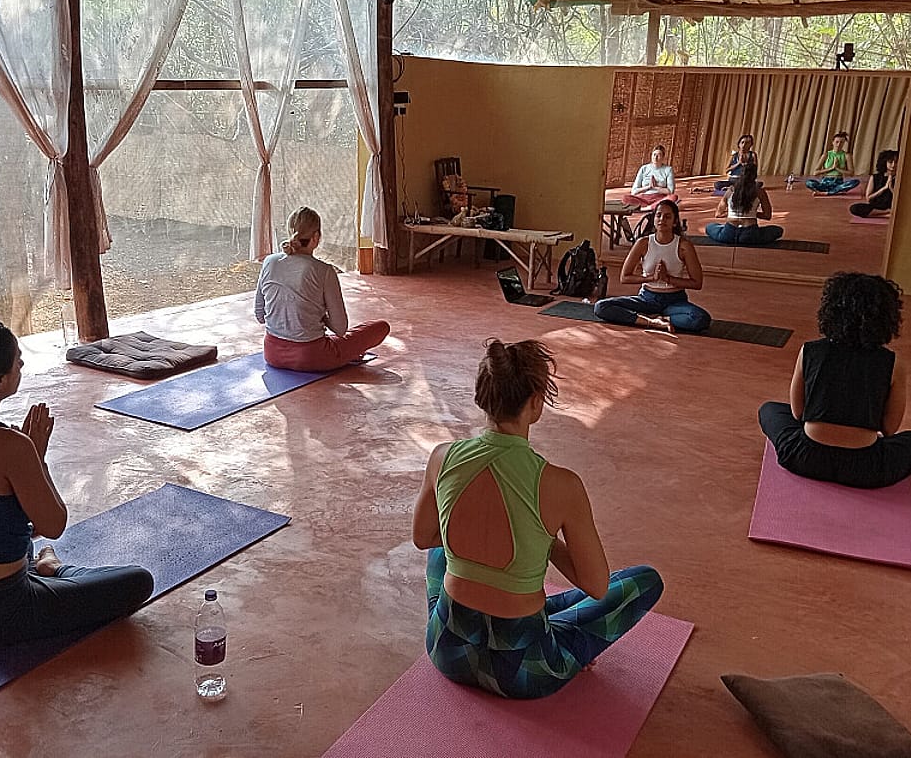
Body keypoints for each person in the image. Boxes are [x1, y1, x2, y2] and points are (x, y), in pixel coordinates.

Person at [412, 339, 663, 699]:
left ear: (481, 396)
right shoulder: (562, 485)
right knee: (643, 581)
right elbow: (596, 587)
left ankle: (535, 604)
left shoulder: (442, 456)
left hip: (447, 649)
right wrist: (540, 540)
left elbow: (424, 538)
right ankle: (550, 618)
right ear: (535, 403)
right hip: (526, 670)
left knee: (443, 550)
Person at [0, 320, 154, 647]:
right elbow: (54, 524)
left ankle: (40, 567)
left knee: (28, 548)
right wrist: (36, 457)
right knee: (136, 581)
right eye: (16, 359)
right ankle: (54, 568)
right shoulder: (11, 445)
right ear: (0, 380)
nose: (21, 363)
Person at [758, 273, 911, 489]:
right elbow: (889, 429)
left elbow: (798, 413)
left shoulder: (810, 350)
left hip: (805, 458)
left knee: (770, 410)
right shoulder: (892, 363)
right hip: (867, 469)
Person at [256, 207, 390, 372]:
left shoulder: (269, 262)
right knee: (381, 327)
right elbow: (341, 329)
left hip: (272, 354)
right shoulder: (324, 270)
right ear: (316, 237)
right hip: (312, 357)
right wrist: (320, 314)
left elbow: (260, 315)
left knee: (335, 340)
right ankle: (346, 353)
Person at [593, 199, 711, 333]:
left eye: (667, 217)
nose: (662, 219)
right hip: (647, 299)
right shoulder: (643, 243)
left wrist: (668, 279)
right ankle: (652, 321)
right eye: (658, 215)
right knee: (601, 307)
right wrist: (651, 278)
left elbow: (697, 283)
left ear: (675, 222)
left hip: (675, 300)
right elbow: (625, 277)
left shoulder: (684, 246)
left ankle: (658, 318)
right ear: (654, 219)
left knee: (700, 318)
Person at [705, 164, 783, 246]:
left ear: (740, 175)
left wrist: (732, 213)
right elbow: (767, 216)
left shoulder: (730, 190)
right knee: (778, 230)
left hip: (729, 234)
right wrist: (751, 213)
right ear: (755, 176)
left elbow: (718, 214)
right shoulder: (760, 191)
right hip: (751, 234)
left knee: (709, 226)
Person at [621, 144, 679, 210]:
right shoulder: (644, 168)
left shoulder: (668, 169)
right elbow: (634, 191)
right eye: (654, 155)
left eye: (658, 155)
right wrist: (648, 187)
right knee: (625, 198)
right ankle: (653, 207)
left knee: (673, 197)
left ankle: (646, 208)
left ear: (663, 157)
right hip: (643, 198)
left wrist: (656, 188)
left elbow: (670, 191)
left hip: (659, 198)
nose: (655, 157)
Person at [805, 131, 860, 196]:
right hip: (825, 182)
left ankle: (826, 193)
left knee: (856, 182)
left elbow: (851, 173)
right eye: (837, 142)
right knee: (809, 182)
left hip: (838, 182)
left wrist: (837, 168)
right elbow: (815, 172)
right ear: (833, 142)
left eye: (841, 142)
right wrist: (832, 168)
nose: (839, 144)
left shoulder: (847, 155)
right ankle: (835, 192)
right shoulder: (826, 155)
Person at [850, 150, 898, 219]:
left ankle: (880, 214)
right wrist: (884, 188)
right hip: (877, 206)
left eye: (896, 162)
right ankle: (885, 214)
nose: (893, 165)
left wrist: (891, 188)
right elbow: (869, 198)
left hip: (893, 206)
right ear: (885, 162)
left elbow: (901, 200)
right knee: (854, 208)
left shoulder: (900, 178)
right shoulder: (875, 177)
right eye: (890, 162)